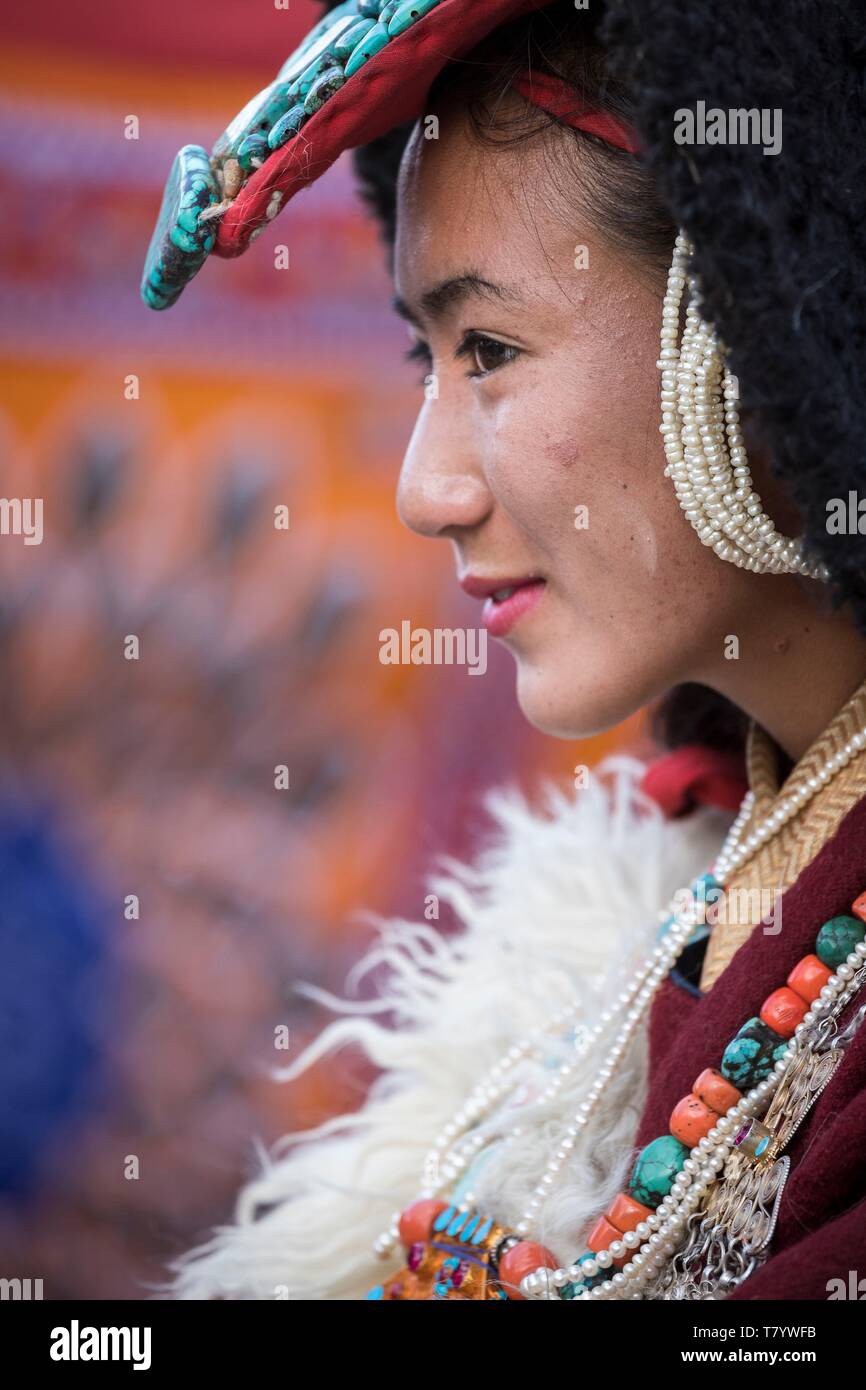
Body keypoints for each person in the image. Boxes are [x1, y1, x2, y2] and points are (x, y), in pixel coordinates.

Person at [141, 0, 866, 1299]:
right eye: (422, 352)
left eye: (488, 348)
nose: (426, 488)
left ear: (757, 324)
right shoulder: (672, 886)